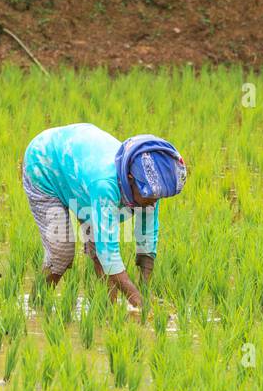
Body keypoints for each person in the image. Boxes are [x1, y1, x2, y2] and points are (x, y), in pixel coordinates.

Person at [21, 124, 187, 307]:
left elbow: (147, 241)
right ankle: (35, 306)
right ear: (130, 180)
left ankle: (107, 311)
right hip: (45, 165)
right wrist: (139, 303)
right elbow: (110, 253)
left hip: (80, 172)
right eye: (151, 197)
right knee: (61, 252)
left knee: (99, 252)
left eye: (158, 197)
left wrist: (144, 291)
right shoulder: (106, 185)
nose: (154, 203)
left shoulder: (150, 187)